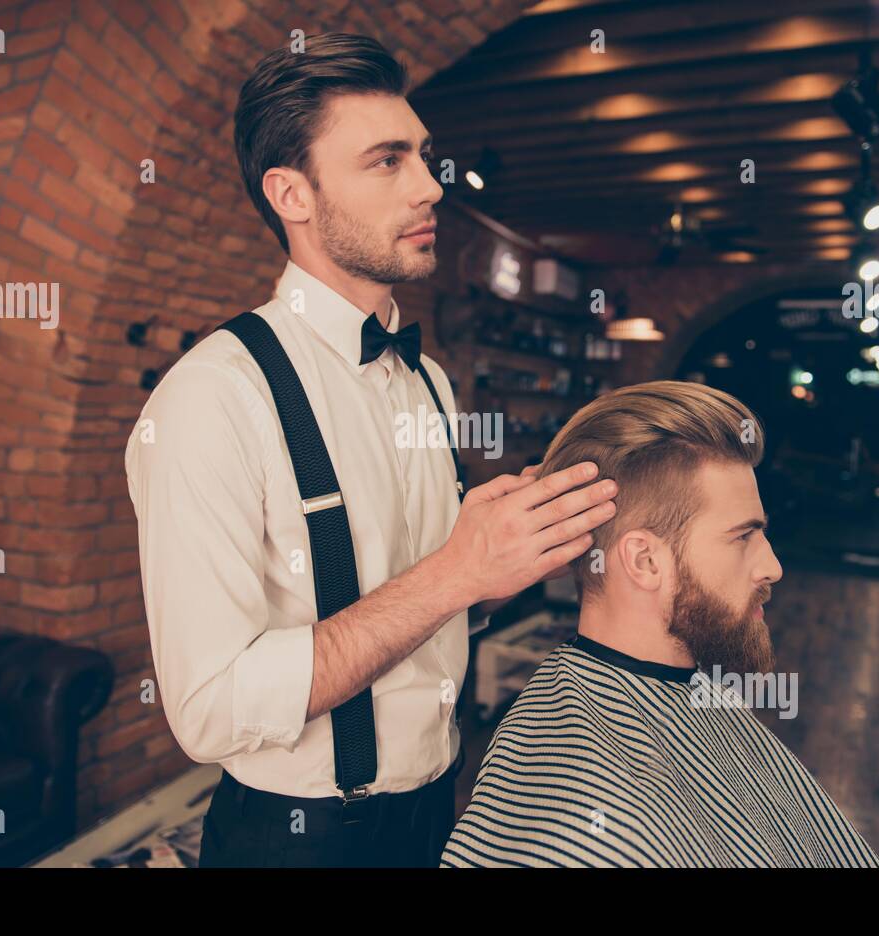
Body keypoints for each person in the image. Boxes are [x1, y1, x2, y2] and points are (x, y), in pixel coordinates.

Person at [123, 33, 617, 867]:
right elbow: (208, 707)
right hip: (302, 837)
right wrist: (454, 573)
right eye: (387, 161)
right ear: (293, 194)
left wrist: (500, 561)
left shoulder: (427, 378)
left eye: (423, 156)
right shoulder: (213, 398)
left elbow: (419, 606)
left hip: (438, 806)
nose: (431, 186)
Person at [441, 381, 879, 867]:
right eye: (742, 538)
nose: (772, 566)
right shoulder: (589, 824)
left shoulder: (690, 696)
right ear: (645, 561)